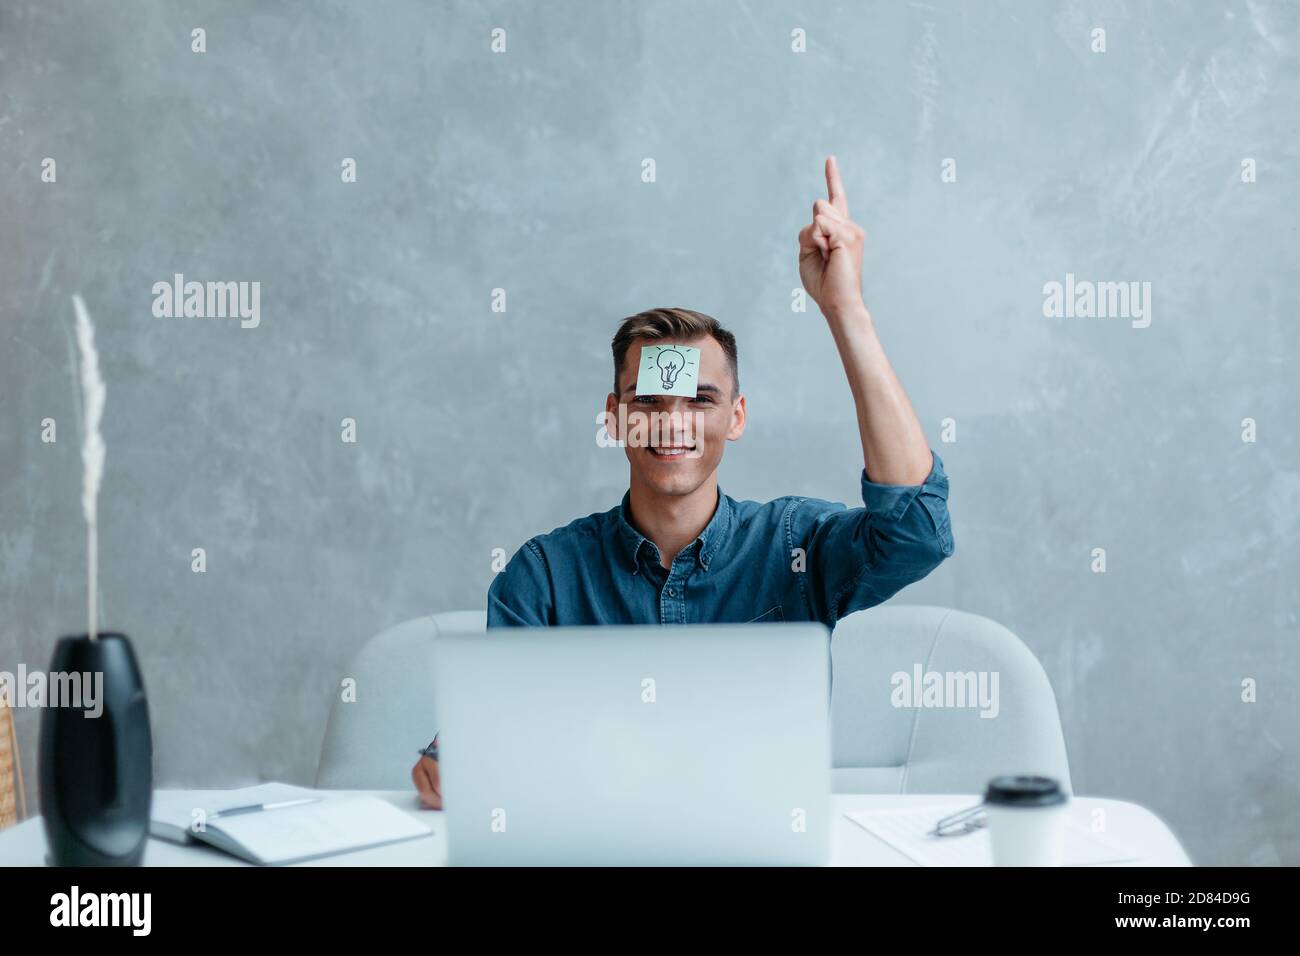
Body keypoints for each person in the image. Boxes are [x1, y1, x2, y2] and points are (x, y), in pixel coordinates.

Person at [412, 156, 954, 809]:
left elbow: (917, 532)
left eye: (699, 400)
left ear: (737, 416)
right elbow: (493, 728)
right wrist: (459, 754)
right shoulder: (546, 577)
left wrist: (846, 309)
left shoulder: (794, 548)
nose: (672, 424)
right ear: (614, 419)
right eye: (648, 402)